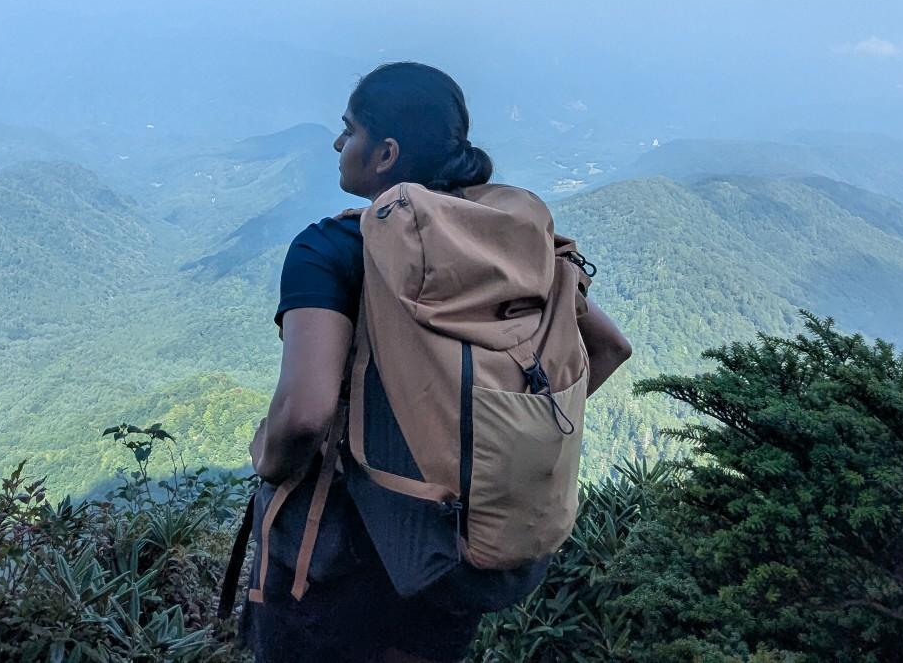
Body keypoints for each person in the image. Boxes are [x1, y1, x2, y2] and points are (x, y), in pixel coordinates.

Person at [245, 61, 633, 663]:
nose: (338, 143)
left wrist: (268, 463)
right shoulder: (504, 247)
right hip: (446, 553)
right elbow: (609, 348)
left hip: (332, 562)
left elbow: (304, 414)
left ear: (386, 154)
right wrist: (487, 445)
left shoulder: (332, 248)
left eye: (350, 130)